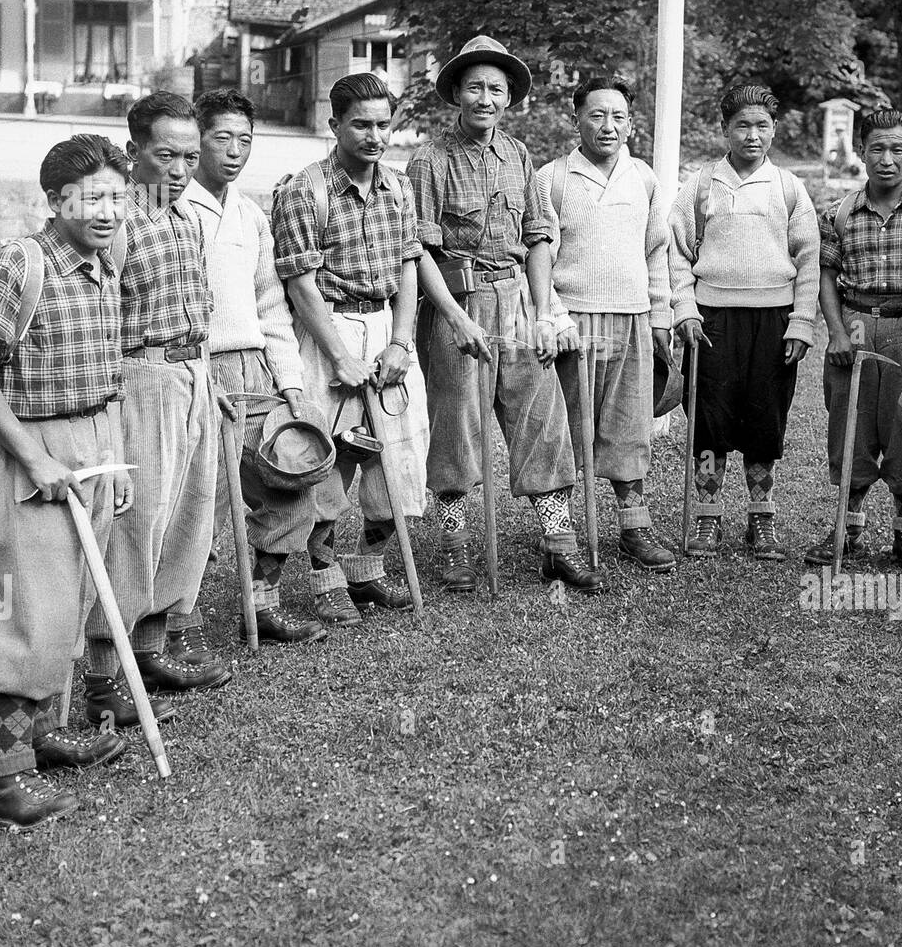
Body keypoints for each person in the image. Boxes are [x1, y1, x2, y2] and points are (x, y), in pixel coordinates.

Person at [0, 134, 143, 829]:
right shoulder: (17, 265)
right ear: (57, 199)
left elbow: (109, 381)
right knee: (28, 611)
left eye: (119, 197)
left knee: (72, 600)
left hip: (91, 447)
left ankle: (42, 734)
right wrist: (33, 457)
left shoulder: (104, 267)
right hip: (27, 451)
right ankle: (8, 783)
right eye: (93, 197)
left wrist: (114, 458)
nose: (108, 211)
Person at [406, 35, 604, 594]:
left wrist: (544, 313)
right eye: (474, 87)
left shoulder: (519, 156)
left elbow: (539, 237)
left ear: (509, 96)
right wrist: (453, 318)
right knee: (457, 430)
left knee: (543, 420)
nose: (485, 98)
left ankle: (559, 546)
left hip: (517, 303)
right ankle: (454, 545)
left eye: (496, 88)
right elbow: (417, 250)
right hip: (456, 307)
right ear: (456, 95)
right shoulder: (430, 161)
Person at [85, 92, 231, 727]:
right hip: (141, 377)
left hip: (192, 372)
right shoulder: (114, 225)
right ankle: (101, 678)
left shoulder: (189, 219)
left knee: (185, 518)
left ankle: (150, 652)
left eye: (189, 157)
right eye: (165, 155)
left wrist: (209, 379)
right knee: (135, 525)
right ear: (133, 148)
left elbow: (197, 306)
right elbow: (96, 321)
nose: (179, 169)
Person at [273, 72, 429, 619]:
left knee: (399, 459)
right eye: (360, 124)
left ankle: (368, 568)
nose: (374, 136)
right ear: (334, 124)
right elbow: (299, 283)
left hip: (385, 329)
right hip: (327, 336)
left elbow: (409, 265)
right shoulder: (304, 191)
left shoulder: (401, 186)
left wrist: (402, 344)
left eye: (384, 124)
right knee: (328, 459)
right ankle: (325, 575)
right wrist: (342, 357)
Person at [182, 89, 326, 644]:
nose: (236, 150)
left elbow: (272, 308)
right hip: (198, 369)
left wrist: (290, 384)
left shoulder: (251, 214)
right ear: (197, 139)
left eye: (246, 139)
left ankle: (262, 601)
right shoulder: (170, 212)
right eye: (223, 137)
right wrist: (197, 372)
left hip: (255, 370)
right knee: (201, 500)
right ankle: (178, 622)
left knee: (287, 479)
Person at [667, 83, 819, 559]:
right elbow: (674, 252)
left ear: (774, 130)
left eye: (762, 126)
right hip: (712, 322)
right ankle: (708, 517)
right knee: (710, 422)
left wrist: (801, 323)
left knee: (764, 419)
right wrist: (685, 310)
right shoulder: (700, 185)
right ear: (724, 129)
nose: (752, 136)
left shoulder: (789, 187)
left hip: (773, 323)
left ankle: (762, 517)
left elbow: (810, 258)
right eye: (742, 126)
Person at [537, 75, 676, 571]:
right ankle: (561, 536)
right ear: (576, 119)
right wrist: (553, 317)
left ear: (631, 124)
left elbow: (657, 251)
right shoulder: (551, 177)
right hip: (575, 325)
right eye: (597, 115)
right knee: (565, 430)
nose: (608, 125)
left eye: (618, 117)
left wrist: (661, 315)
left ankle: (634, 529)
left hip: (634, 318)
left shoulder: (645, 178)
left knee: (630, 427)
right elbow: (537, 259)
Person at [806, 109, 902, 568]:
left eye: (896, 149)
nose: (887, 159)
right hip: (856, 323)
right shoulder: (839, 213)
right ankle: (848, 527)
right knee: (851, 424)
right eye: (876, 149)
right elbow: (826, 277)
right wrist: (835, 331)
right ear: (862, 153)